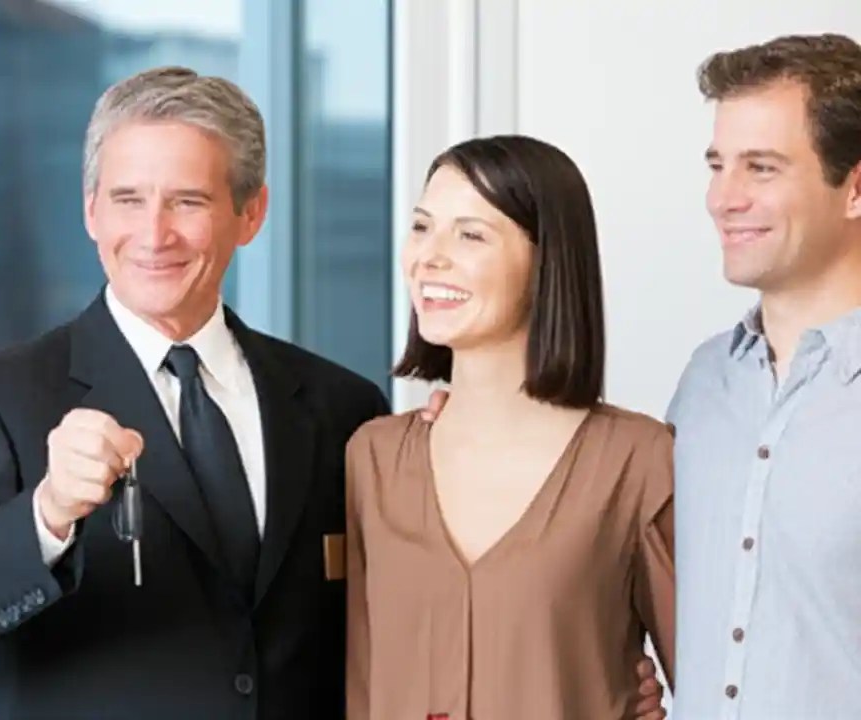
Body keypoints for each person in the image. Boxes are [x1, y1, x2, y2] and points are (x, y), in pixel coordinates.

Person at [0, 65, 392, 719]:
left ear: (251, 212)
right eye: (128, 199)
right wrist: (47, 513)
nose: (155, 235)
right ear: (91, 210)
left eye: (188, 201)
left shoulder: (342, 405)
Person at [345, 135, 676, 719]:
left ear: (547, 259)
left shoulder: (638, 461)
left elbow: (727, 681)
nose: (430, 256)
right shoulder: (372, 460)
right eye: (422, 227)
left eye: (471, 235)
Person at [667, 33, 861, 718]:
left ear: (856, 189)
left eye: (762, 168)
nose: (724, 198)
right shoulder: (701, 386)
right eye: (718, 164)